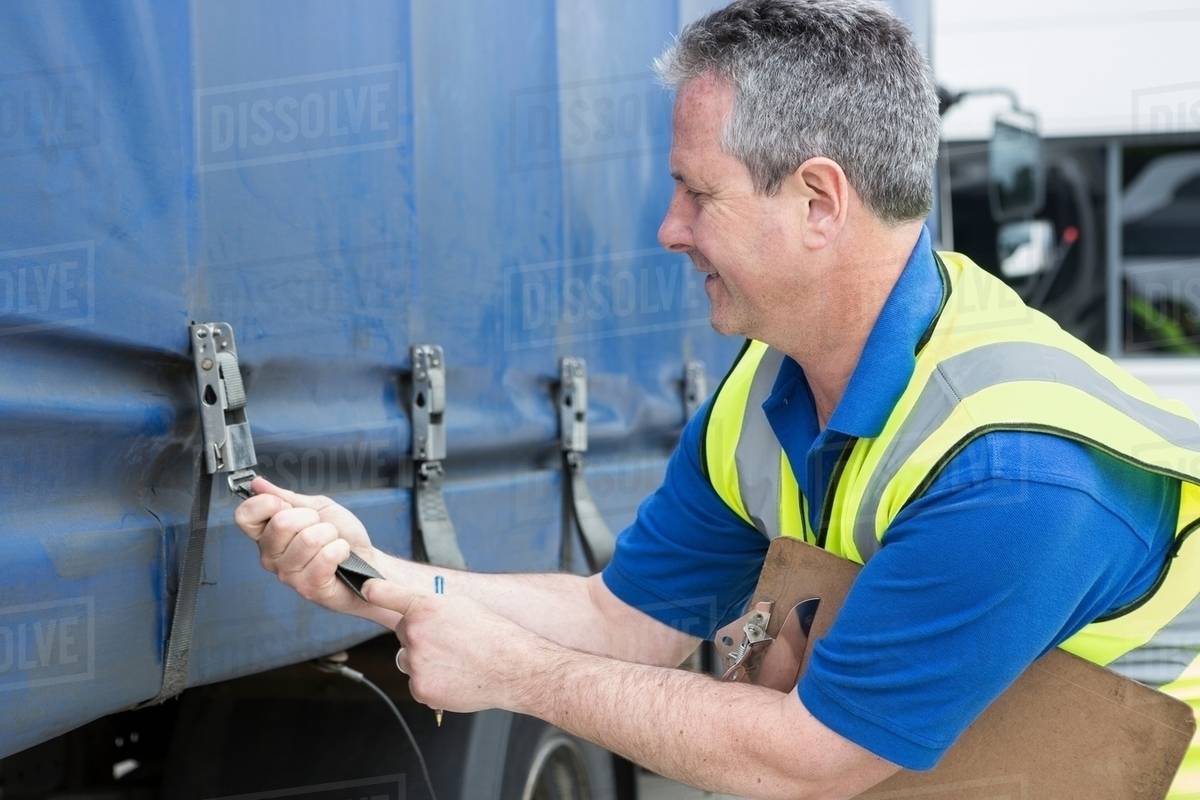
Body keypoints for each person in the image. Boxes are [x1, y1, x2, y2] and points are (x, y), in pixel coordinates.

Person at [235, 1, 1199, 797]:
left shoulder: (1018, 470)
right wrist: (370, 575)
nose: (668, 230)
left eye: (699, 194)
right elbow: (625, 621)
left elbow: (808, 761)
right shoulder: (766, 388)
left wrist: (517, 675)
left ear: (820, 202)